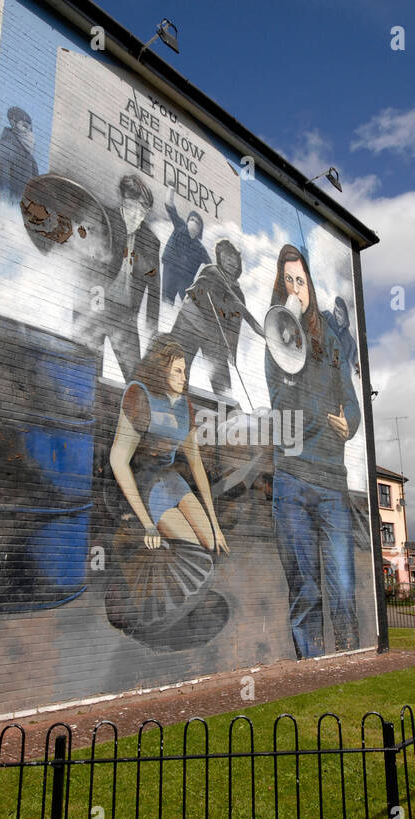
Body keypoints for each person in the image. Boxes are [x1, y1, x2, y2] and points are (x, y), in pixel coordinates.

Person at [263, 244, 361, 657]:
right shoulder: (276, 338)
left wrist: (349, 424)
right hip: (290, 480)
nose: (295, 289)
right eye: (288, 281)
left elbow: (352, 401)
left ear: (310, 287)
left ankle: (350, 662)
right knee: (305, 588)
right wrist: (288, 348)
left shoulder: (332, 341)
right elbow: (281, 411)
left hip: (331, 483)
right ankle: (312, 671)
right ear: (280, 287)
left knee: (341, 584)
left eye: (300, 281)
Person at [109, 333, 228, 554]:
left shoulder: (184, 405)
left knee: (210, 543)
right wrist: (147, 524)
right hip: (144, 483)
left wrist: (216, 525)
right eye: (178, 371)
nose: (184, 378)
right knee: (192, 548)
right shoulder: (139, 395)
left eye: (185, 372)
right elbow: (118, 460)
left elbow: (196, 463)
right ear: (161, 369)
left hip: (171, 480)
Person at [80, 174, 160, 380]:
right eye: (133, 208)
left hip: (125, 315)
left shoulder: (151, 240)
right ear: (123, 201)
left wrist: (152, 329)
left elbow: (154, 287)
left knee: (136, 381)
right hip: (94, 305)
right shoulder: (104, 219)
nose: (138, 216)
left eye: (144, 211)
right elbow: (89, 259)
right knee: (87, 371)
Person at [170, 238, 255, 396]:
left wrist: (232, 351)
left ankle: (227, 407)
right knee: (176, 367)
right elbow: (197, 292)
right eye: (226, 256)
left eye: (233, 258)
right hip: (190, 324)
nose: (230, 261)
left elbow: (234, 326)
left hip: (214, 335)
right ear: (220, 258)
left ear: (238, 263)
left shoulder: (238, 294)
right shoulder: (211, 271)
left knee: (222, 383)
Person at [160, 187, 210, 305]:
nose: (193, 223)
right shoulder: (180, 226)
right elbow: (170, 206)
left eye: (197, 222)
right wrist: (171, 190)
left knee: (189, 305)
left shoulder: (200, 248)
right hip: (171, 268)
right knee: (167, 300)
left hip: (186, 278)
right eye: (191, 219)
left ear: (199, 230)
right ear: (187, 221)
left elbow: (210, 265)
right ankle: (166, 318)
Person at [0, 106, 39, 201]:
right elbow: (1, 187)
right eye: (24, 126)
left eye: (30, 128)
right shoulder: (4, 148)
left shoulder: (29, 157)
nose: (28, 132)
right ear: (13, 124)